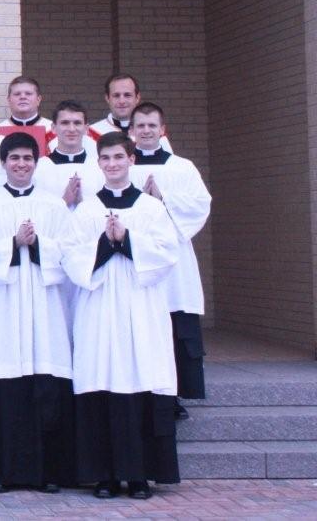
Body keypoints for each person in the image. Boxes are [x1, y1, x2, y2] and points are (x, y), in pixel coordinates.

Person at [63, 132, 180, 500]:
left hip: (140, 306)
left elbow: (166, 253)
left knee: (140, 378)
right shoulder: (86, 209)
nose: (112, 164)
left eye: (119, 157)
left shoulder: (150, 208)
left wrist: (126, 239)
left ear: (131, 159)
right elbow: (69, 257)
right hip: (98, 309)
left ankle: (141, 475)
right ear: (98, 163)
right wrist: (104, 243)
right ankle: (104, 476)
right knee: (100, 379)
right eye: (106, 158)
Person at [0, 133, 76, 493]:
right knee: (4, 388)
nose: (20, 164)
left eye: (27, 158)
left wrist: (40, 245)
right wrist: (12, 245)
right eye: (13, 158)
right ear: (2, 163)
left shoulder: (54, 206)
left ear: (36, 163)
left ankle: (48, 472)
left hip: (44, 305)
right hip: (1, 305)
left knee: (45, 387)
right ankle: (1, 471)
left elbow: (70, 255)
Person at [128, 102, 212, 420]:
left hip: (176, 266)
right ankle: (140, 395)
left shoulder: (182, 167)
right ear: (131, 130)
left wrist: (165, 199)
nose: (147, 131)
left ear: (163, 130)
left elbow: (200, 205)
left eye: (153, 125)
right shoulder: (121, 166)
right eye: (141, 126)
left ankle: (173, 396)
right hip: (137, 261)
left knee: (175, 329)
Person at [34, 101, 104, 209]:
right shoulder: (38, 167)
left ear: (86, 129)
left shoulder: (100, 167)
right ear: (53, 128)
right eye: (65, 123)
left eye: (77, 123)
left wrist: (82, 205)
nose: (71, 129)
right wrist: (64, 202)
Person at [88, 74, 172, 151]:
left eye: (127, 95)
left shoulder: (155, 132)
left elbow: (168, 164)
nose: (122, 101)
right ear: (107, 98)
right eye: (116, 95)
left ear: (137, 97)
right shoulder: (92, 133)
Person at [0, 76, 54, 156]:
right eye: (17, 94)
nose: (23, 97)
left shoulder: (55, 131)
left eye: (28, 93)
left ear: (38, 99)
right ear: (9, 100)